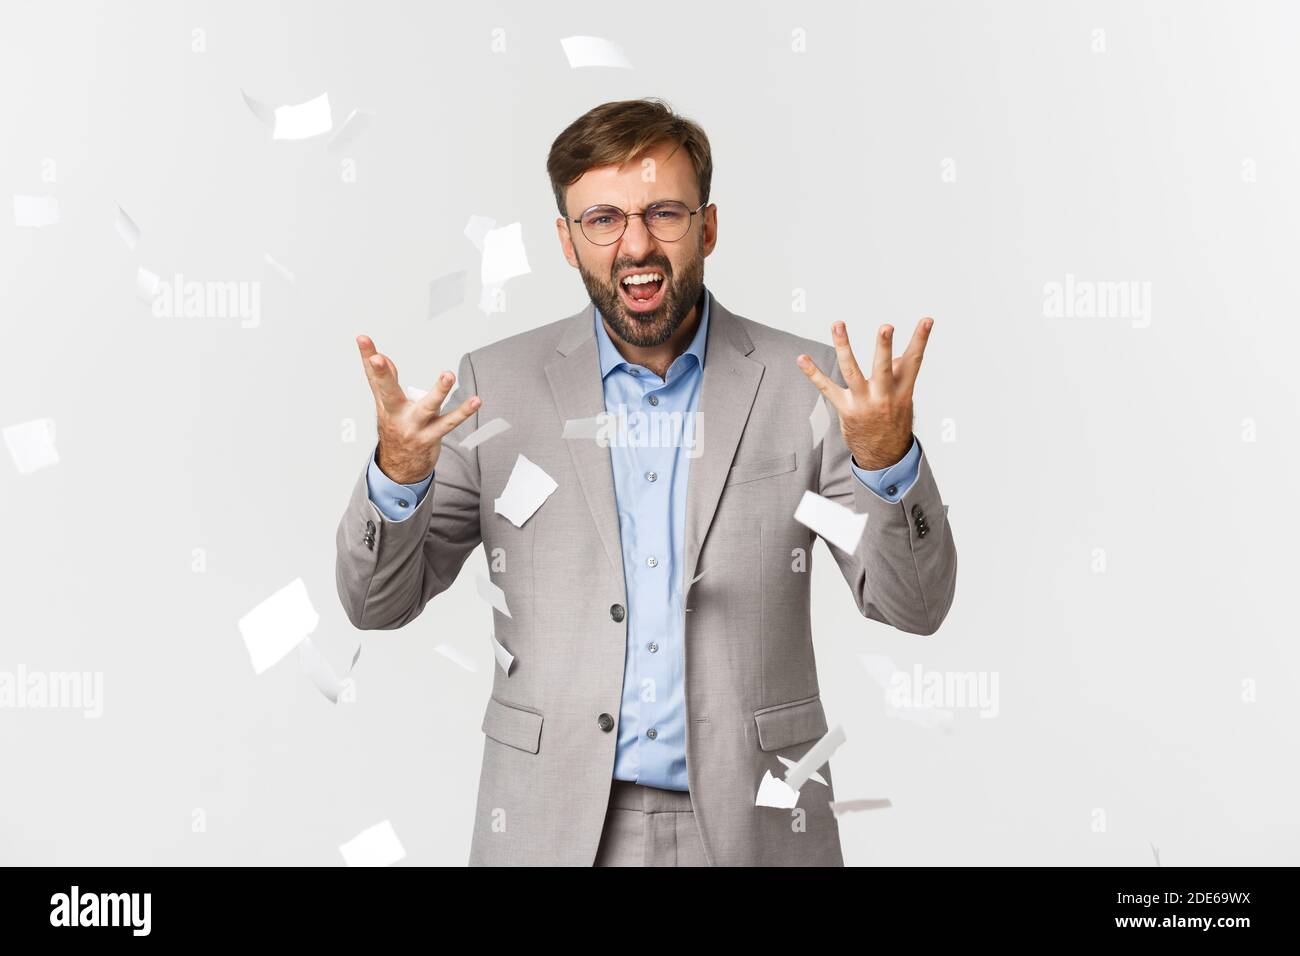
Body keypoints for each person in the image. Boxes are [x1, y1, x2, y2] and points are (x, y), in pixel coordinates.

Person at [336, 97, 957, 866]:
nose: (636, 244)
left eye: (663, 213)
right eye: (603, 219)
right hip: (552, 828)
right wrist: (398, 474)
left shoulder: (810, 386)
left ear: (708, 227)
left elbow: (914, 604)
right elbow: (377, 603)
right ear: (567, 241)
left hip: (758, 827)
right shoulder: (493, 387)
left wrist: (887, 462)